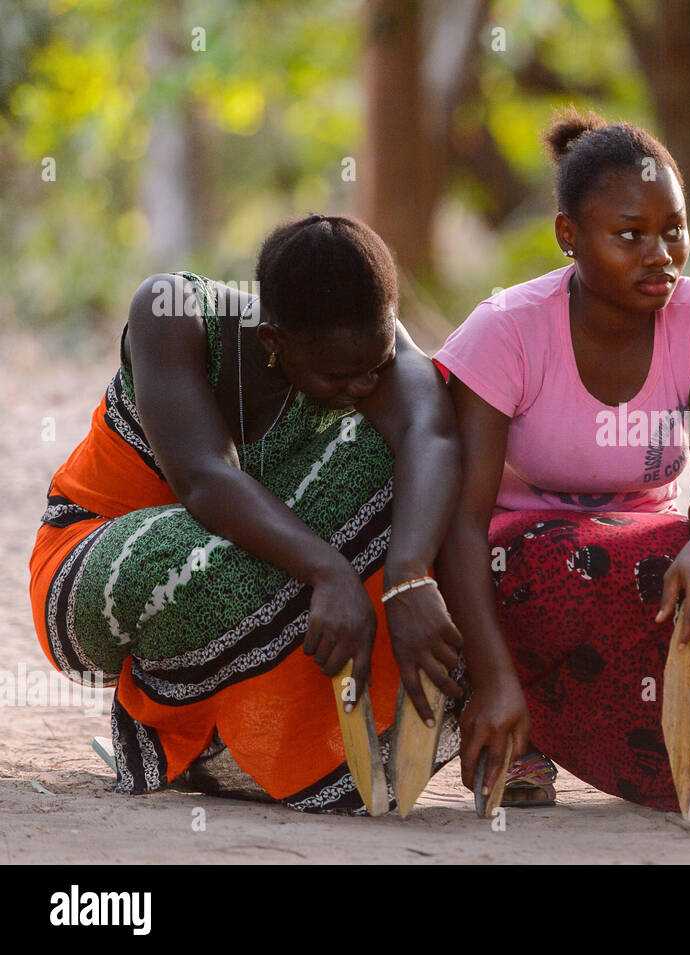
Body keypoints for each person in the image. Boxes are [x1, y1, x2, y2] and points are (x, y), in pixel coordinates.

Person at [28, 214, 465, 813]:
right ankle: (179, 724)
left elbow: (431, 430)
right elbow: (206, 482)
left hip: (260, 556)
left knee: (410, 471)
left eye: (377, 365)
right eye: (340, 375)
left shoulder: (373, 342)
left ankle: (273, 743)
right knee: (204, 563)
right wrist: (330, 572)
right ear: (273, 342)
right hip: (97, 562)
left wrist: (409, 575)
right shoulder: (171, 313)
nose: (365, 384)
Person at [432, 108, 690, 814]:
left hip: (645, 549)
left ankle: (669, 753)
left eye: (674, 230)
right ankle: (514, 711)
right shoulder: (505, 330)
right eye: (631, 235)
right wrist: (492, 674)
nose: (660, 254)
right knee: (580, 570)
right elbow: (460, 523)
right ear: (569, 235)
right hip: (516, 561)